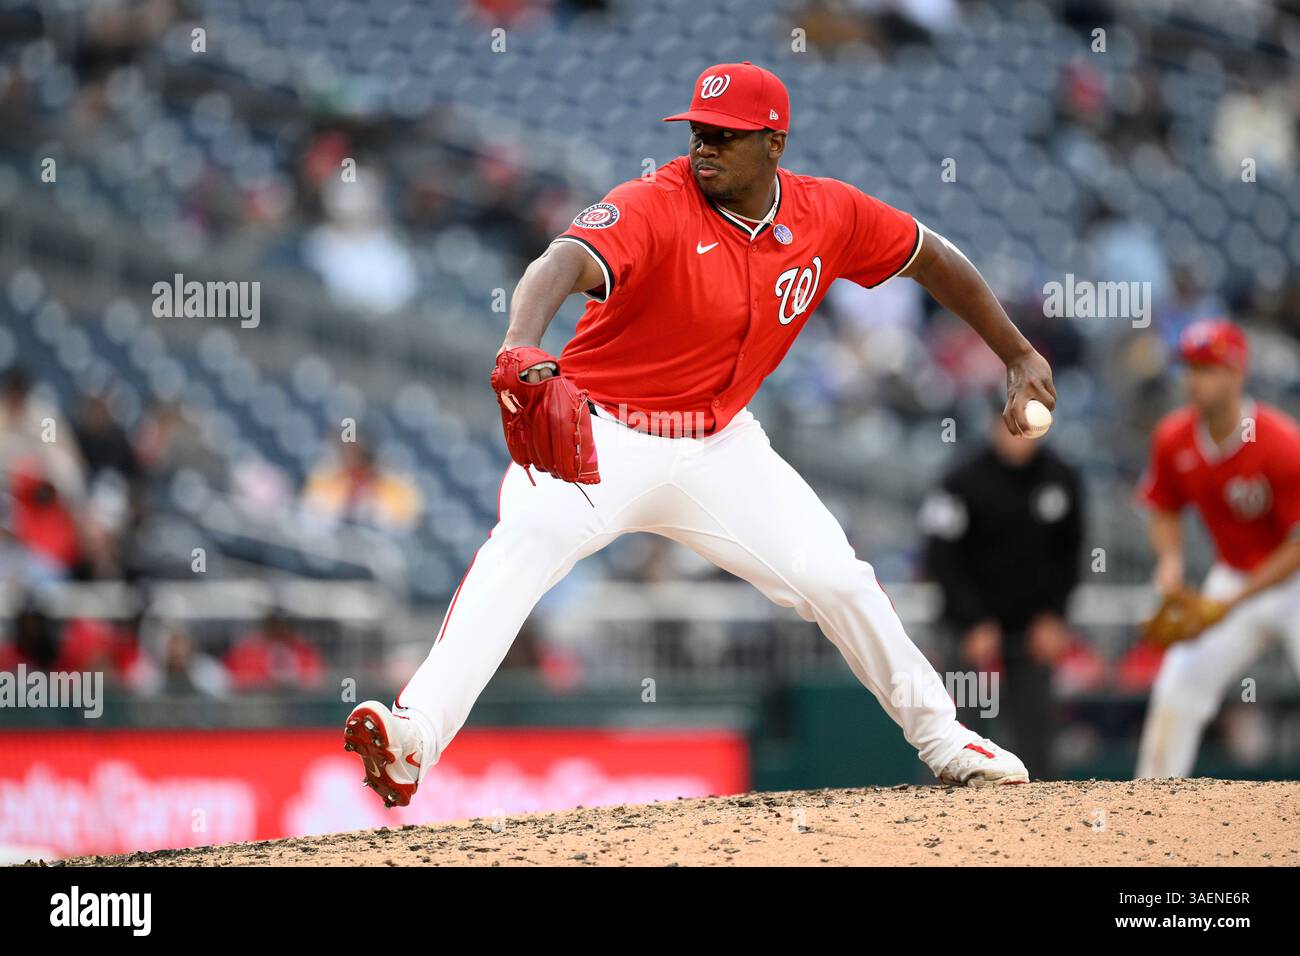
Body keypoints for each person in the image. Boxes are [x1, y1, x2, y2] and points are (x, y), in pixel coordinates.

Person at [345, 61, 1056, 807]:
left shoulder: (828, 214)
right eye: (697, 132)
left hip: (720, 446)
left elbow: (931, 256)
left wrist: (1015, 351)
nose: (703, 147)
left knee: (835, 578)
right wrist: (522, 342)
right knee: (524, 548)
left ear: (774, 143)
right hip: (601, 436)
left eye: (725, 136)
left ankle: (946, 740)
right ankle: (413, 736)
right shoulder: (655, 204)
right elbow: (559, 262)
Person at [1135, 318, 1300, 778]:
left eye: (1207, 367)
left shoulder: (1279, 441)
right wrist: (1170, 565)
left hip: (1290, 583)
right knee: (1177, 690)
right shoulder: (1173, 437)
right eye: (1189, 366)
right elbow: (1163, 506)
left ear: (1236, 373)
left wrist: (1230, 603)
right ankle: (1149, 816)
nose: (1194, 379)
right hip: (1232, 578)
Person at [921, 395, 1084, 779]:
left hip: (1033, 629)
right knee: (957, 730)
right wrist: (973, 621)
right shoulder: (960, 480)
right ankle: (943, 819)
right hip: (969, 629)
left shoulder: (1060, 477)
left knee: (1036, 731)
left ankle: (1044, 824)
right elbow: (941, 558)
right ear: (997, 423)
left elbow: (1072, 553)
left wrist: (1055, 618)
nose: (1019, 436)